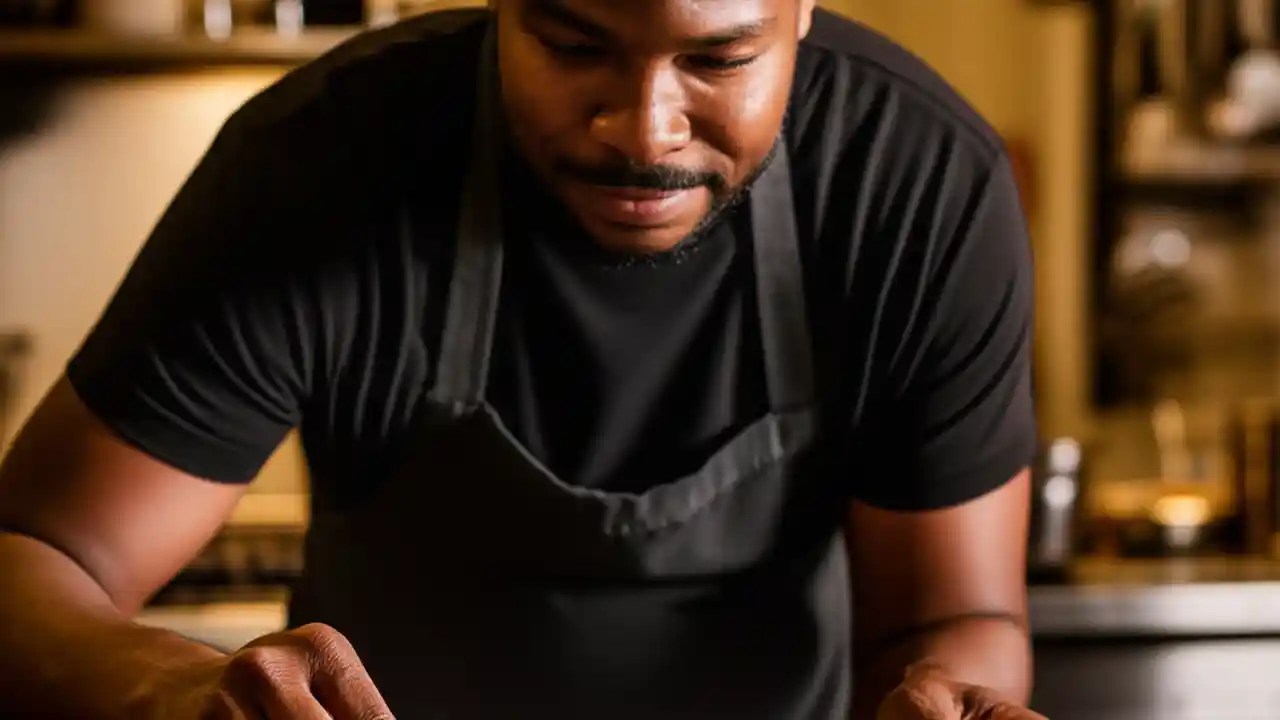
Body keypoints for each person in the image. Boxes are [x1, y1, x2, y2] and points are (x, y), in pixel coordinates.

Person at [0, 1, 1046, 719]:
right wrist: (173, 690)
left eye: (715, 60)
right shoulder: (325, 161)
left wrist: (951, 697)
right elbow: (33, 563)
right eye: (571, 42)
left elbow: (949, 615)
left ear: (802, 10)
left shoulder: (913, 185)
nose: (642, 126)